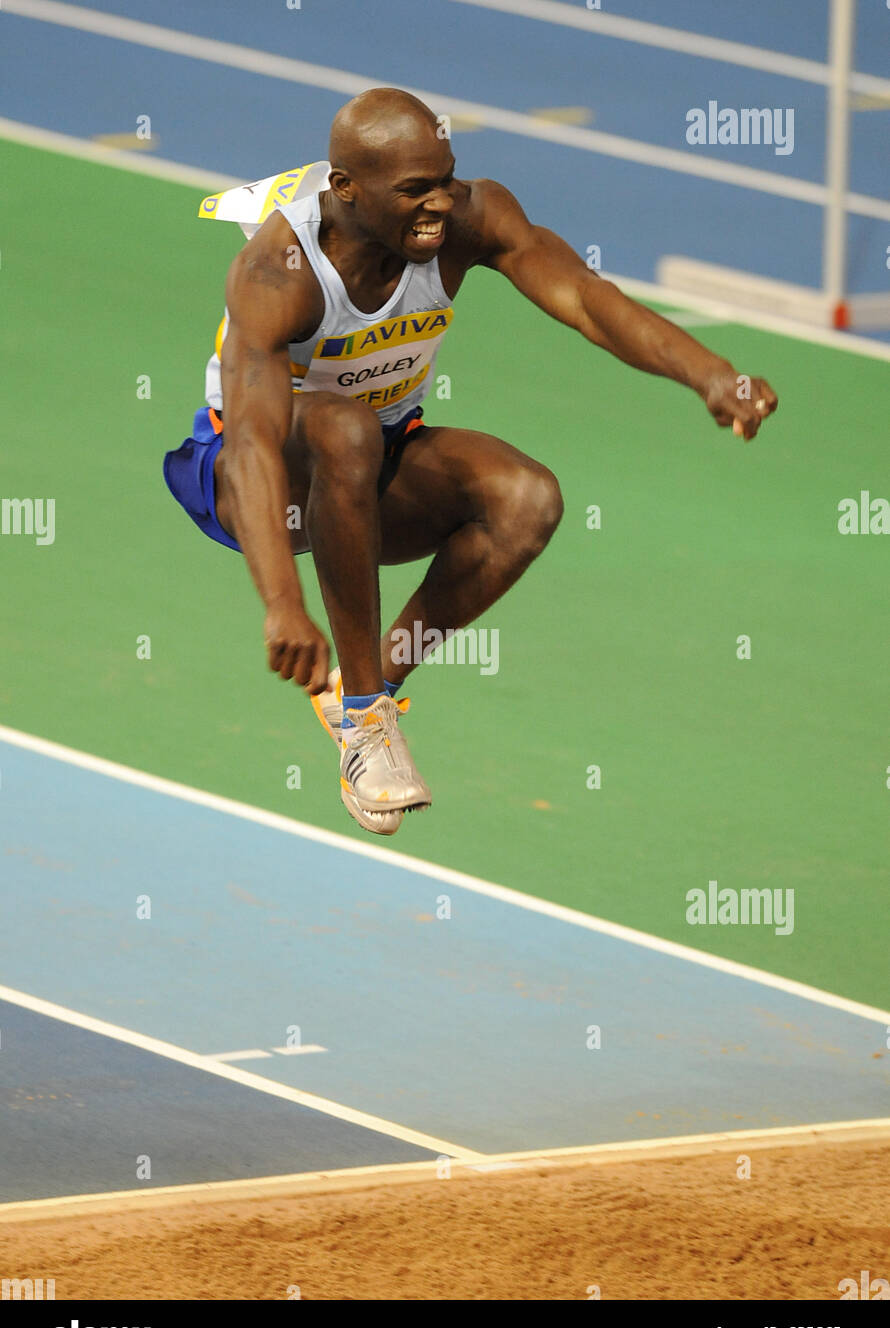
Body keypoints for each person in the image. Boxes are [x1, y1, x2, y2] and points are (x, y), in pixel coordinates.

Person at [163, 87, 777, 837]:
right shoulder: (280, 272)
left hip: (370, 469)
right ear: (345, 191)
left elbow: (586, 298)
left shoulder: (470, 219)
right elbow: (254, 442)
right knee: (347, 432)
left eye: (446, 179)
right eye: (415, 190)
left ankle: (370, 694)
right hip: (243, 479)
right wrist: (281, 601)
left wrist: (710, 374)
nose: (441, 205)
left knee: (527, 499)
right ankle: (364, 716)